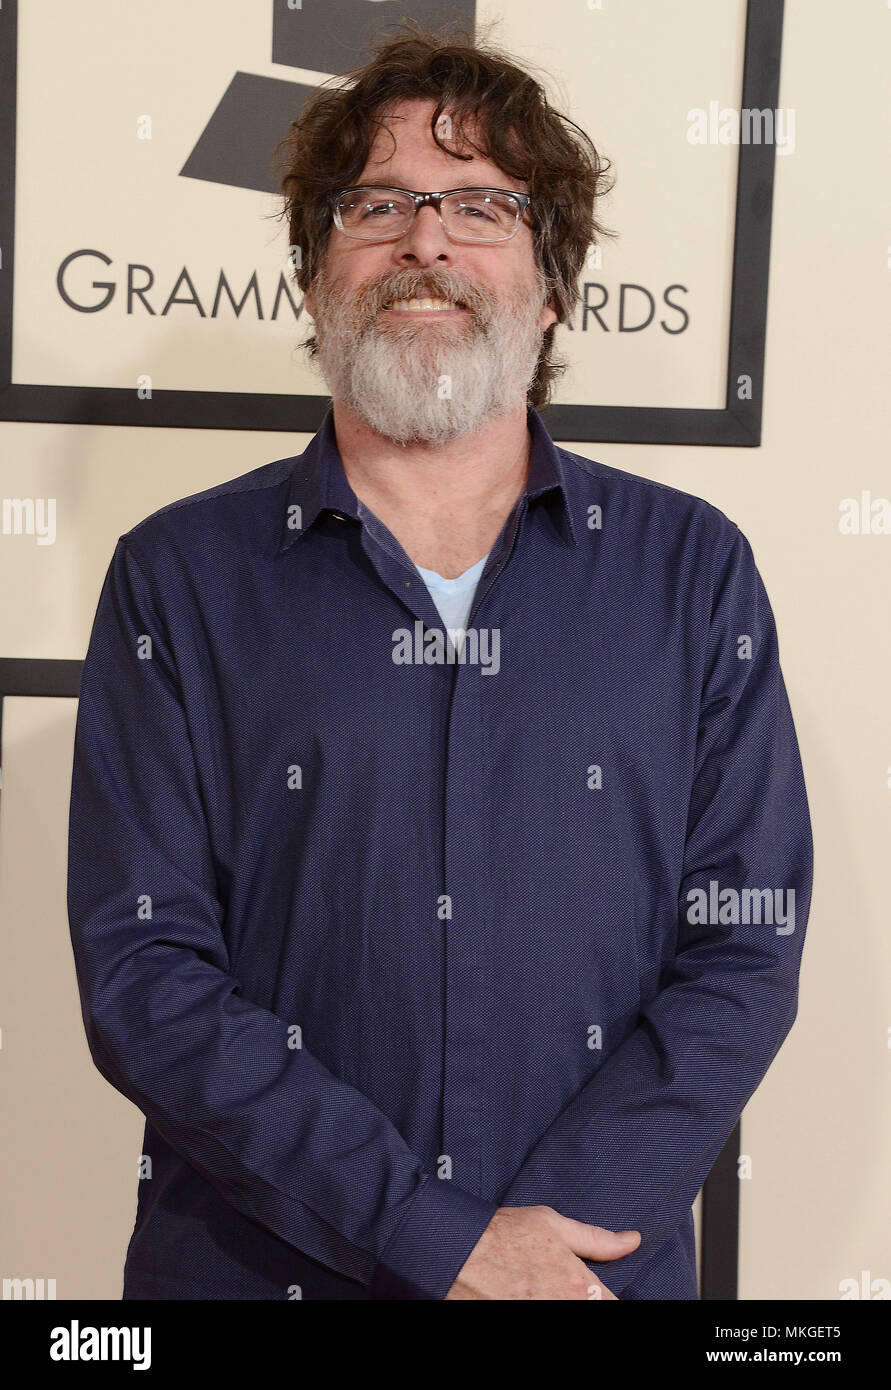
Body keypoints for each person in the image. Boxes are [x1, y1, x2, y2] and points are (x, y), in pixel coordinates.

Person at [67, 24, 812, 1300]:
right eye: (378, 205)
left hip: (589, 1277)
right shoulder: (175, 578)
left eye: (480, 205)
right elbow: (146, 979)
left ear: (553, 280)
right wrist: (444, 1240)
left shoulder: (694, 573)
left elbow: (743, 947)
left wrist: (545, 1240)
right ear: (312, 277)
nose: (426, 242)